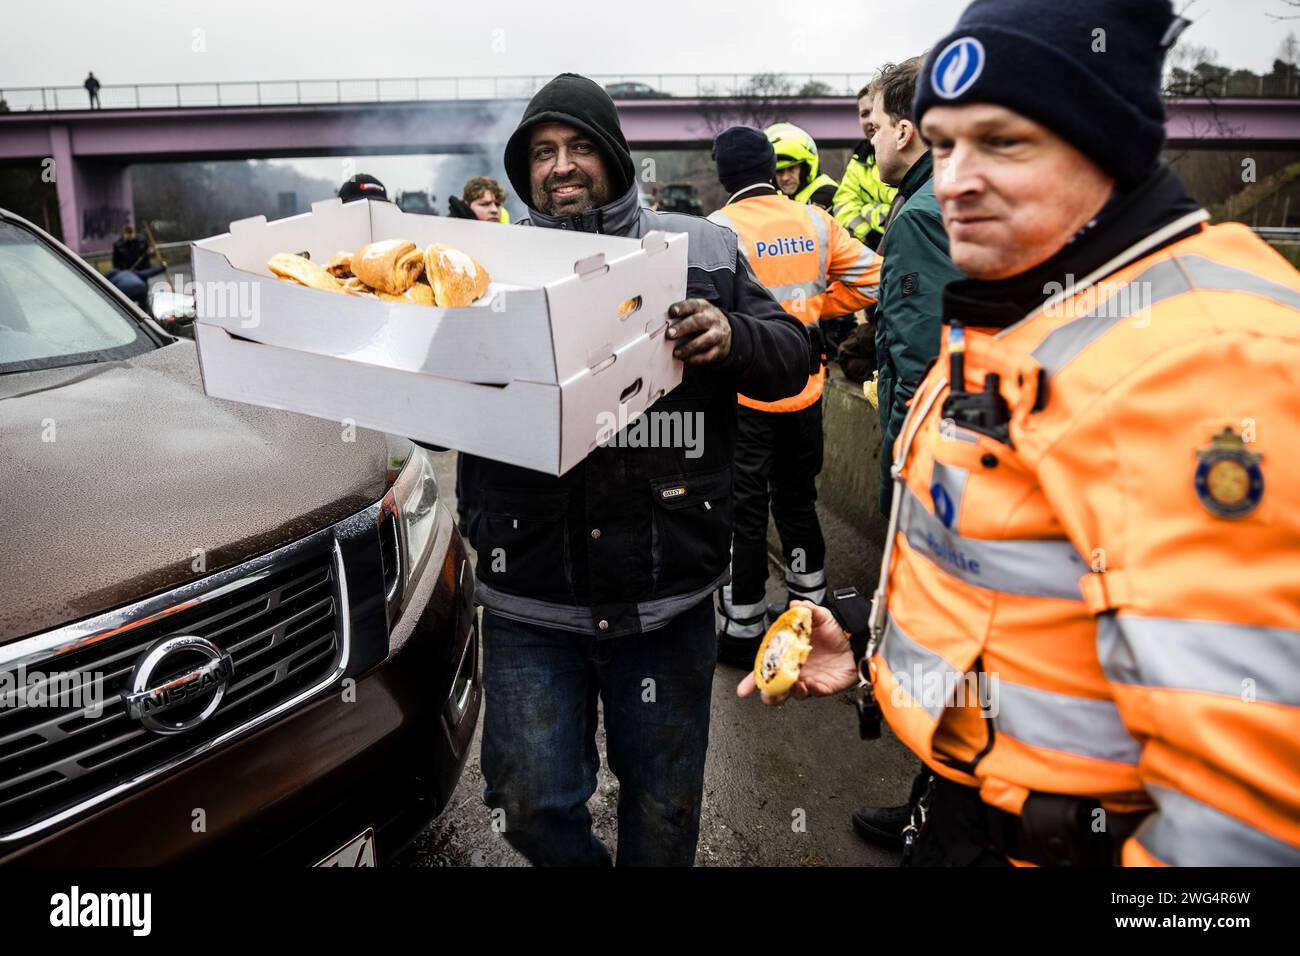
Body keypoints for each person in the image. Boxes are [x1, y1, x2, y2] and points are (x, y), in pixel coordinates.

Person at [742, 0, 1300, 868]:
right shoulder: (1040, 300)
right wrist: (879, 648)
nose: (956, 178)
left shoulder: (1205, 359)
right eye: (943, 140)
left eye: (1002, 142)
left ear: (1106, 142)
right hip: (977, 815)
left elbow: (1250, 825)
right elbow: (1026, 601)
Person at [460, 73, 809, 867]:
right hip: (530, 599)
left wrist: (735, 335)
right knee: (526, 802)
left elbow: (793, 358)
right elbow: (430, 409)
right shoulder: (486, 271)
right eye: (542, 153)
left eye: (579, 146)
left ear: (614, 156)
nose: (561, 166)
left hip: (667, 595)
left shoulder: (706, 250)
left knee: (665, 804)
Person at [707, 126, 880, 662]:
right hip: (804, 389)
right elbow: (875, 280)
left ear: (722, 175)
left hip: (744, 395)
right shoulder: (814, 220)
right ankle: (812, 615)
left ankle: (743, 630)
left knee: (745, 512)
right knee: (799, 501)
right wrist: (811, 309)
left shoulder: (712, 230)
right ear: (768, 167)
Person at [832, 86, 898, 252]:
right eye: (864, 114)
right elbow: (843, 205)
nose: (870, 120)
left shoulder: (904, 153)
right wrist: (869, 234)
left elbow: (902, 207)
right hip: (871, 249)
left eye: (875, 111)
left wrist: (868, 209)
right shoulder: (857, 161)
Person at [765, 123, 838, 211]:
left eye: (791, 169)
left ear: (805, 169)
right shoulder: (781, 196)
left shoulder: (825, 192)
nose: (785, 177)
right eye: (779, 171)